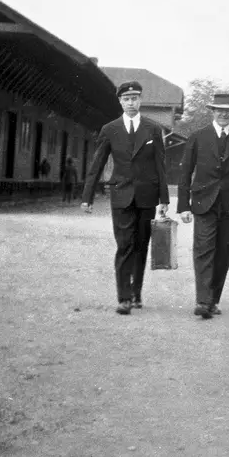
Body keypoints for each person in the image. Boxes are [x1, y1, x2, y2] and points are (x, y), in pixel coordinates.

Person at [80, 81, 170, 315]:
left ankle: (136, 293)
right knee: (124, 245)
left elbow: (161, 164)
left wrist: (164, 199)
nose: (131, 103)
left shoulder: (152, 129)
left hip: (147, 196)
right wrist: (87, 196)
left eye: (135, 98)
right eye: (126, 99)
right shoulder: (110, 129)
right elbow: (97, 164)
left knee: (141, 245)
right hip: (121, 194)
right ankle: (124, 298)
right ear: (120, 101)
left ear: (141, 101)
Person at [177, 91, 229, 320]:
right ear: (212, 111)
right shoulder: (198, 137)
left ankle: (214, 299)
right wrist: (184, 205)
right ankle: (203, 300)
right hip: (203, 202)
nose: (224, 114)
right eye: (220, 110)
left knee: (223, 252)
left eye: (228, 110)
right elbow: (185, 172)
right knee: (203, 250)